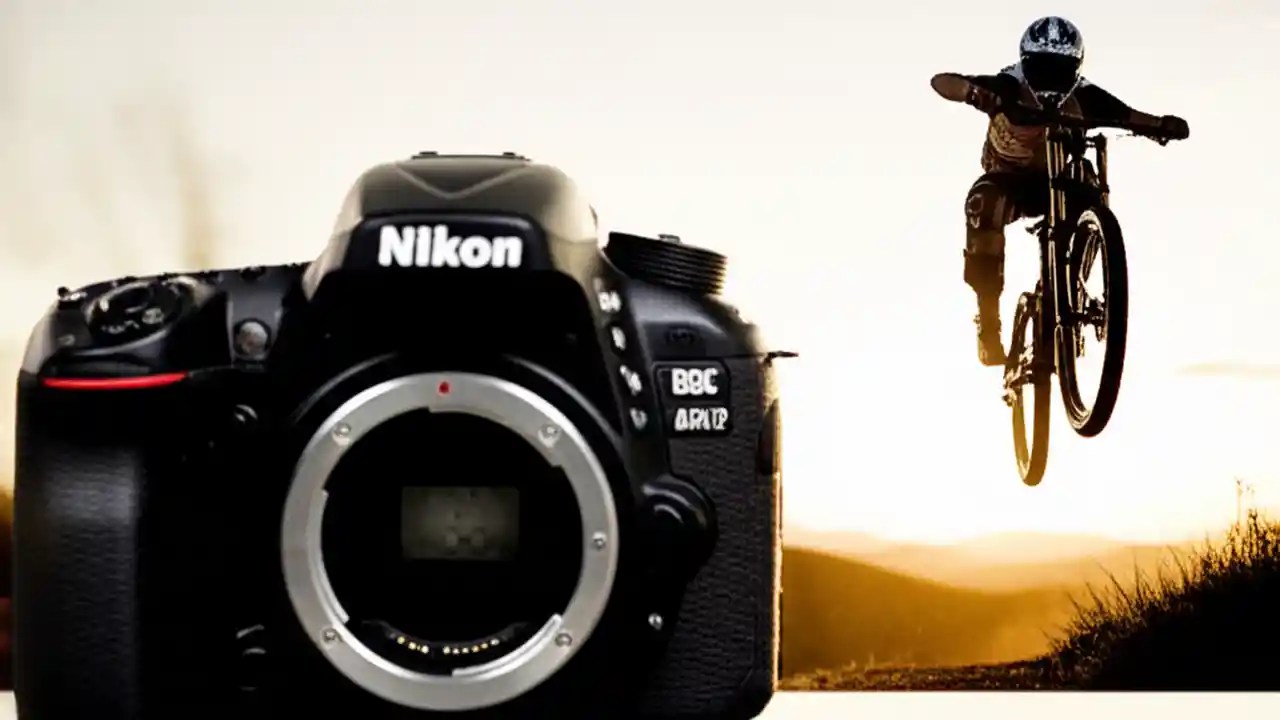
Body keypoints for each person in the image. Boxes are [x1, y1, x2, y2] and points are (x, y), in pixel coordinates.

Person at [930, 16, 1190, 366]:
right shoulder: (1006, 87)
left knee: (1086, 177)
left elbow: (1128, 116)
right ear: (1026, 65)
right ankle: (988, 322)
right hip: (1009, 180)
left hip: (1058, 181)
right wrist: (971, 91)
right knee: (982, 203)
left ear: (1075, 69)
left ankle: (1072, 283)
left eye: (1060, 71)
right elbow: (942, 82)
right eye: (1042, 70)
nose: (1051, 82)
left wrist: (1161, 126)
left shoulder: (1085, 97)